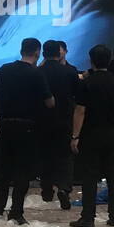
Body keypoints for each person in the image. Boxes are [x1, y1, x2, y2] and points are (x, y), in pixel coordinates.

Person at [0, 37, 55, 224]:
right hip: (27, 127)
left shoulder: (5, 69)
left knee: (4, 171)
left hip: (6, 124)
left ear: (21, 50)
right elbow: (49, 102)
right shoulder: (36, 74)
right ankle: (16, 212)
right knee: (23, 172)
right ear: (37, 52)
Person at [69, 45, 114, 227]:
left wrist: (75, 136)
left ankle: (88, 217)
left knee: (89, 177)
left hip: (90, 135)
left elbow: (80, 111)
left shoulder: (86, 83)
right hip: (112, 136)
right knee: (113, 176)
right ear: (110, 58)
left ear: (91, 61)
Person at [37, 40, 77, 211]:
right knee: (65, 156)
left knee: (45, 155)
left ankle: (46, 190)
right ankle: (64, 188)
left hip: (43, 120)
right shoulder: (70, 71)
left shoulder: (38, 72)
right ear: (59, 53)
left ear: (44, 53)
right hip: (65, 119)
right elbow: (77, 96)